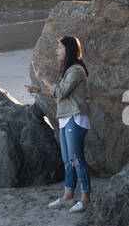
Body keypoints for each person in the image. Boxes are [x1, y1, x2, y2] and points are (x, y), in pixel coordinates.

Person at [26, 35, 91, 213]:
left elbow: (61, 91)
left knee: (77, 159)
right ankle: (68, 196)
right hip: (65, 118)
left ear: (68, 50)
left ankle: (85, 198)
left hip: (75, 118)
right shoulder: (69, 71)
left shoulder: (76, 71)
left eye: (59, 48)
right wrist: (38, 89)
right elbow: (59, 93)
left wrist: (42, 77)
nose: (57, 52)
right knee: (68, 161)